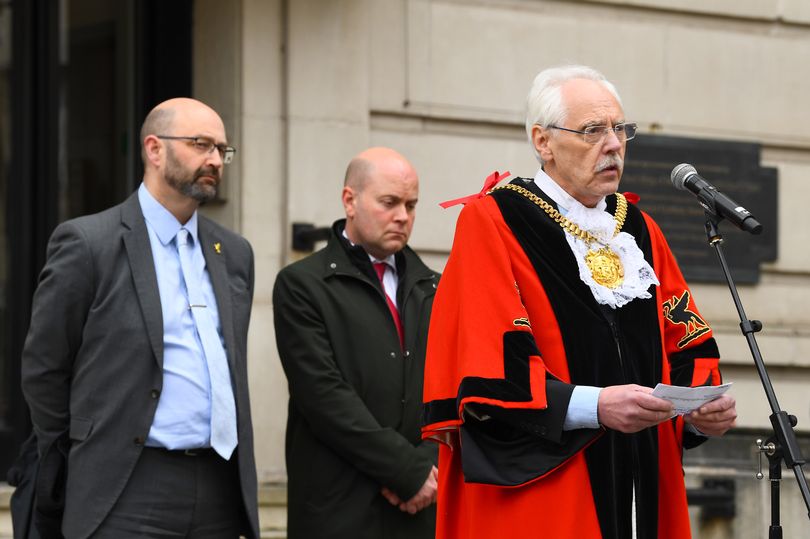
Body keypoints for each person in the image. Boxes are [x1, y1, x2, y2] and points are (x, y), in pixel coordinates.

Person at [422, 65, 738, 539]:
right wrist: (595, 406)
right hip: (549, 487)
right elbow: (491, 368)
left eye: (619, 129)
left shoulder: (639, 229)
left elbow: (687, 339)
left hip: (643, 479)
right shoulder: (495, 221)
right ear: (543, 141)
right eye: (592, 130)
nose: (613, 145)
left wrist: (701, 413)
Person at [21, 98, 259, 539]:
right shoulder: (89, 244)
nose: (214, 159)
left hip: (220, 485)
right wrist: (81, 450)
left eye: (221, 149)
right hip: (126, 484)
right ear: (154, 149)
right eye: (200, 144)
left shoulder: (234, 252)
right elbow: (44, 369)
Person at [273, 147, 439, 539]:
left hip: (420, 509)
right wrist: (406, 471)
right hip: (338, 508)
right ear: (350, 200)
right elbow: (323, 396)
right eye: (389, 203)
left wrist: (429, 468)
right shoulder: (303, 285)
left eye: (411, 205)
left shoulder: (435, 288)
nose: (402, 216)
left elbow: (452, 390)